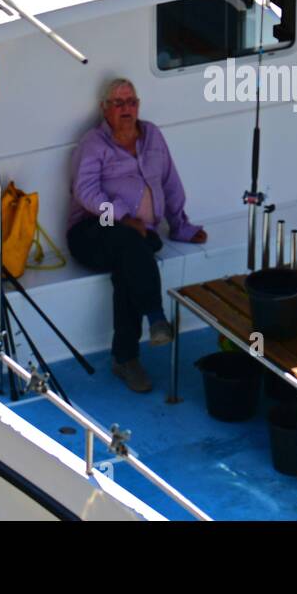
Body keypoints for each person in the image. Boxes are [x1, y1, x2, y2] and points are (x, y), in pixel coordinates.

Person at [67, 78, 207, 393]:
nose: (126, 109)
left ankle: (125, 358)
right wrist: (121, 216)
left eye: (131, 102)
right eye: (118, 103)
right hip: (91, 230)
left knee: (130, 259)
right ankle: (156, 317)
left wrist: (180, 224)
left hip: (138, 236)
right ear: (105, 109)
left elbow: (170, 181)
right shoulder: (94, 143)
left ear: (138, 105)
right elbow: (84, 193)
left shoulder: (152, 135)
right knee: (130, 245)